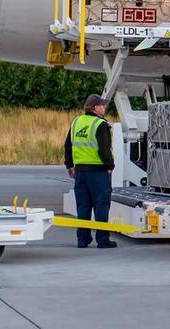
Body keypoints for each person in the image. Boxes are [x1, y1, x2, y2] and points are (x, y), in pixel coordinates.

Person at [64, 94, 117, 249]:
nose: (104, 107)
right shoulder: (100, 124)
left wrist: (69, 165)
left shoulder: (76, 122)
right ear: (95, 108)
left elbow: (68, 146)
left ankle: (83, 239)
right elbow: (104, 149)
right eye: (102, 105)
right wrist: (110, 166)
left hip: (80, 172)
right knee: (101, 205)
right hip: (98, 172)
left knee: (83, 206)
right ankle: (102, 240)